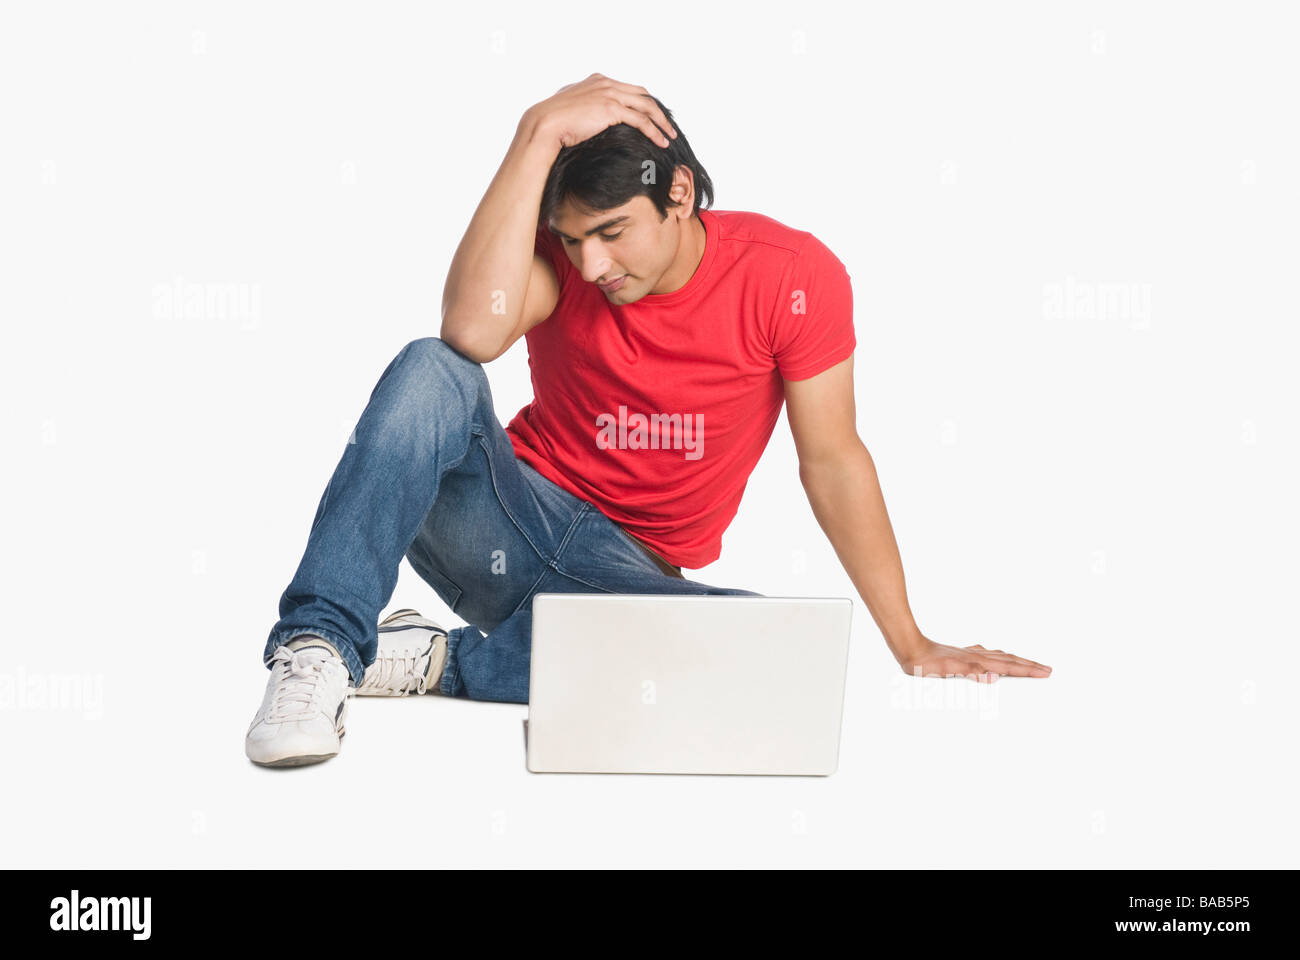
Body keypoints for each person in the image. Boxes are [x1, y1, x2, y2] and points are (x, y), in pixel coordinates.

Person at [245, 73, 1052, 767]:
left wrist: (910, 641)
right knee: (432, 365)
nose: (593, 265)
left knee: (778, 652)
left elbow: (833, 460)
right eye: (573, 238)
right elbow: (470, 334)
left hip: (624, 577)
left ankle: (437, 662)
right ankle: (315, 647)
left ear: (676, 193)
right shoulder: (565, 267)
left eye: (610, 232)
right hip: (502, 519)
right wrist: (534, 134)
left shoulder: (792, 277)